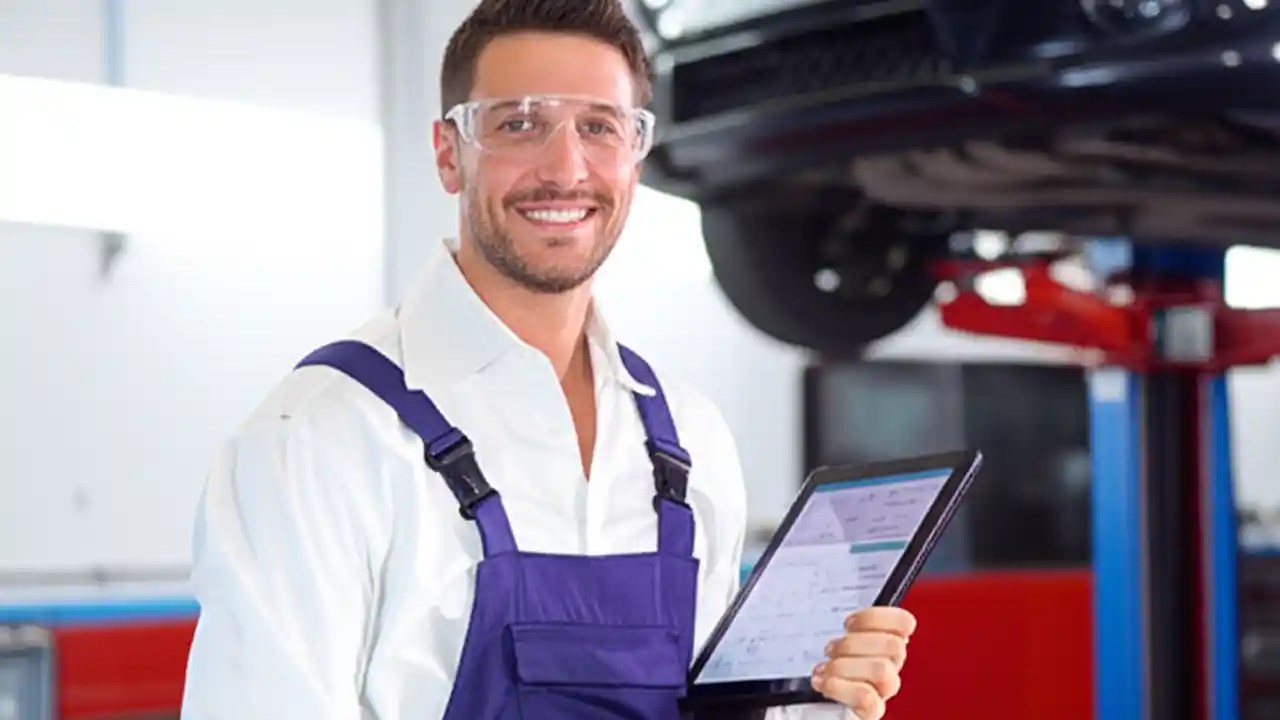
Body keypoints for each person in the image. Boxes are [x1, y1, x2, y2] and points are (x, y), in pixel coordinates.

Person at [180, 0, 918, 718]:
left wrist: (817, 700)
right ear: (448, 153)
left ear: (636, 155)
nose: (565, 168)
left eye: (599, 127)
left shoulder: (691, 437)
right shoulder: (319, 439)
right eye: (520, 124)